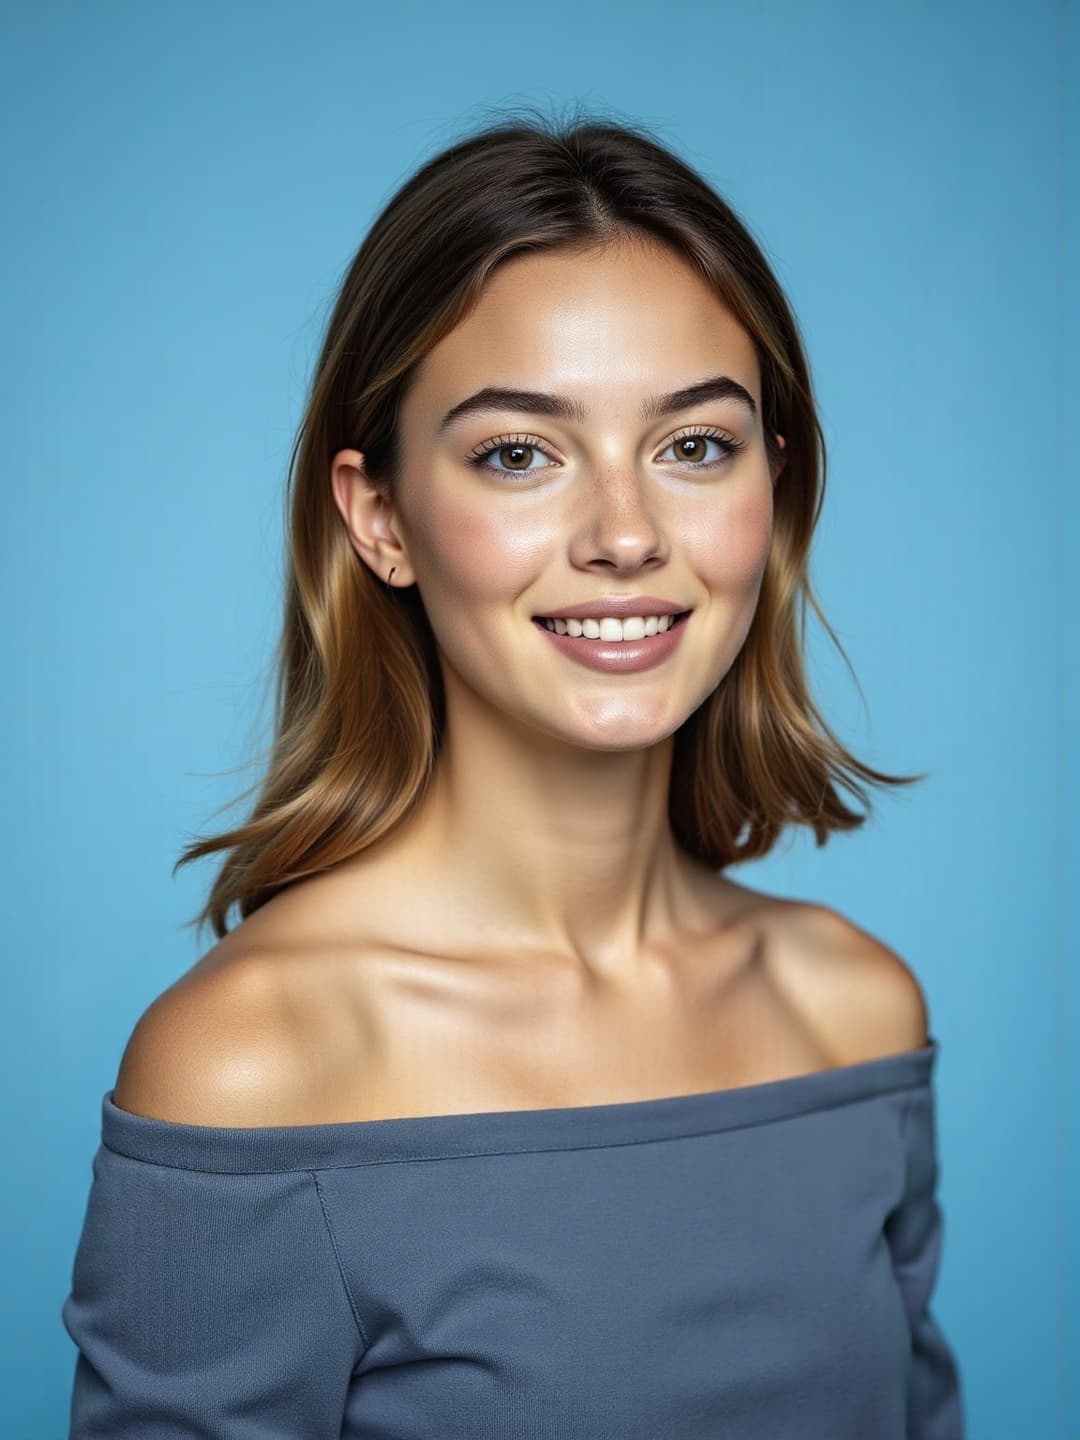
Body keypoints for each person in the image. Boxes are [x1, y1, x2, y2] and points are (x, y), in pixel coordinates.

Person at [61, 105, 966, 1437]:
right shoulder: (251, 1063)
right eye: (519, 454)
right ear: (380, 520)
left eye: (694, 446)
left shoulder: (857, 1012)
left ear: (774, 488)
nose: (623, 533)